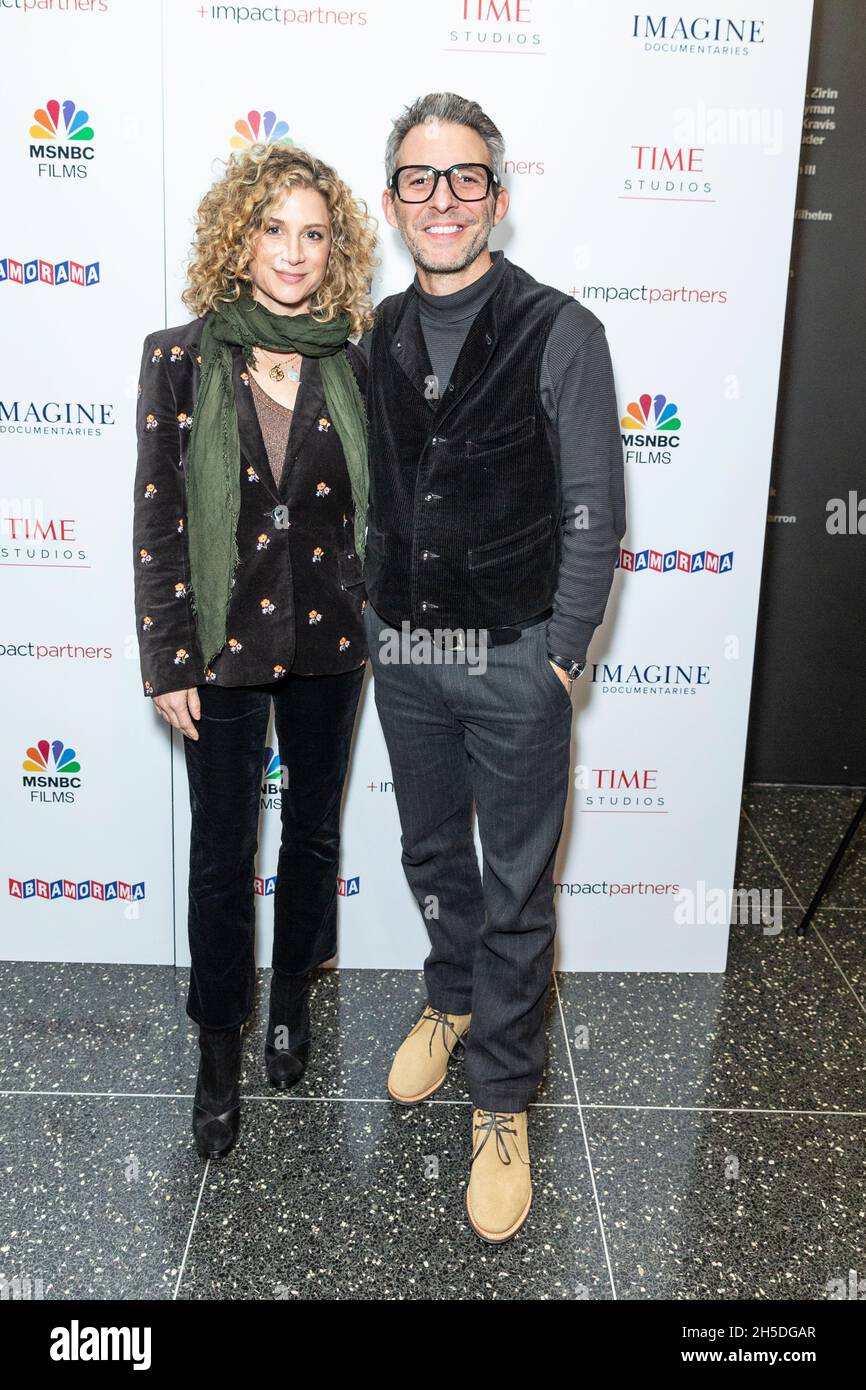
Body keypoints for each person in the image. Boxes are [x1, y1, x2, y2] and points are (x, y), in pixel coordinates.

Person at [358, 93, 626, 1242]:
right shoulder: (375, 331)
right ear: (391, 203)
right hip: (409, 653)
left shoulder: (559, 329)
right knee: (431, 854)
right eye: (419, 180)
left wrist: (561, 654)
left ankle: (502, 1096)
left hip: (516, 654)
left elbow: (591, 507)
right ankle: (450, 1000)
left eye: (464, 178)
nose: (443, 199)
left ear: (497, 199)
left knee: (515, 886)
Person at [132, 143, 376, 1160]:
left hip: (329, 637)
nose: (292, 250)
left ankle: (291, 1005)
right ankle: (217, 1047)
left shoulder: (352, 361)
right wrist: (168, 658)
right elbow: (160, 519)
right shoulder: (179, 355)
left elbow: (379, 510)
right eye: (273, 228)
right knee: (222, 856)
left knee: (313, 835)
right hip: (222, 645)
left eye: (312, 232)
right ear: (239, 236)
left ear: (336, 250)